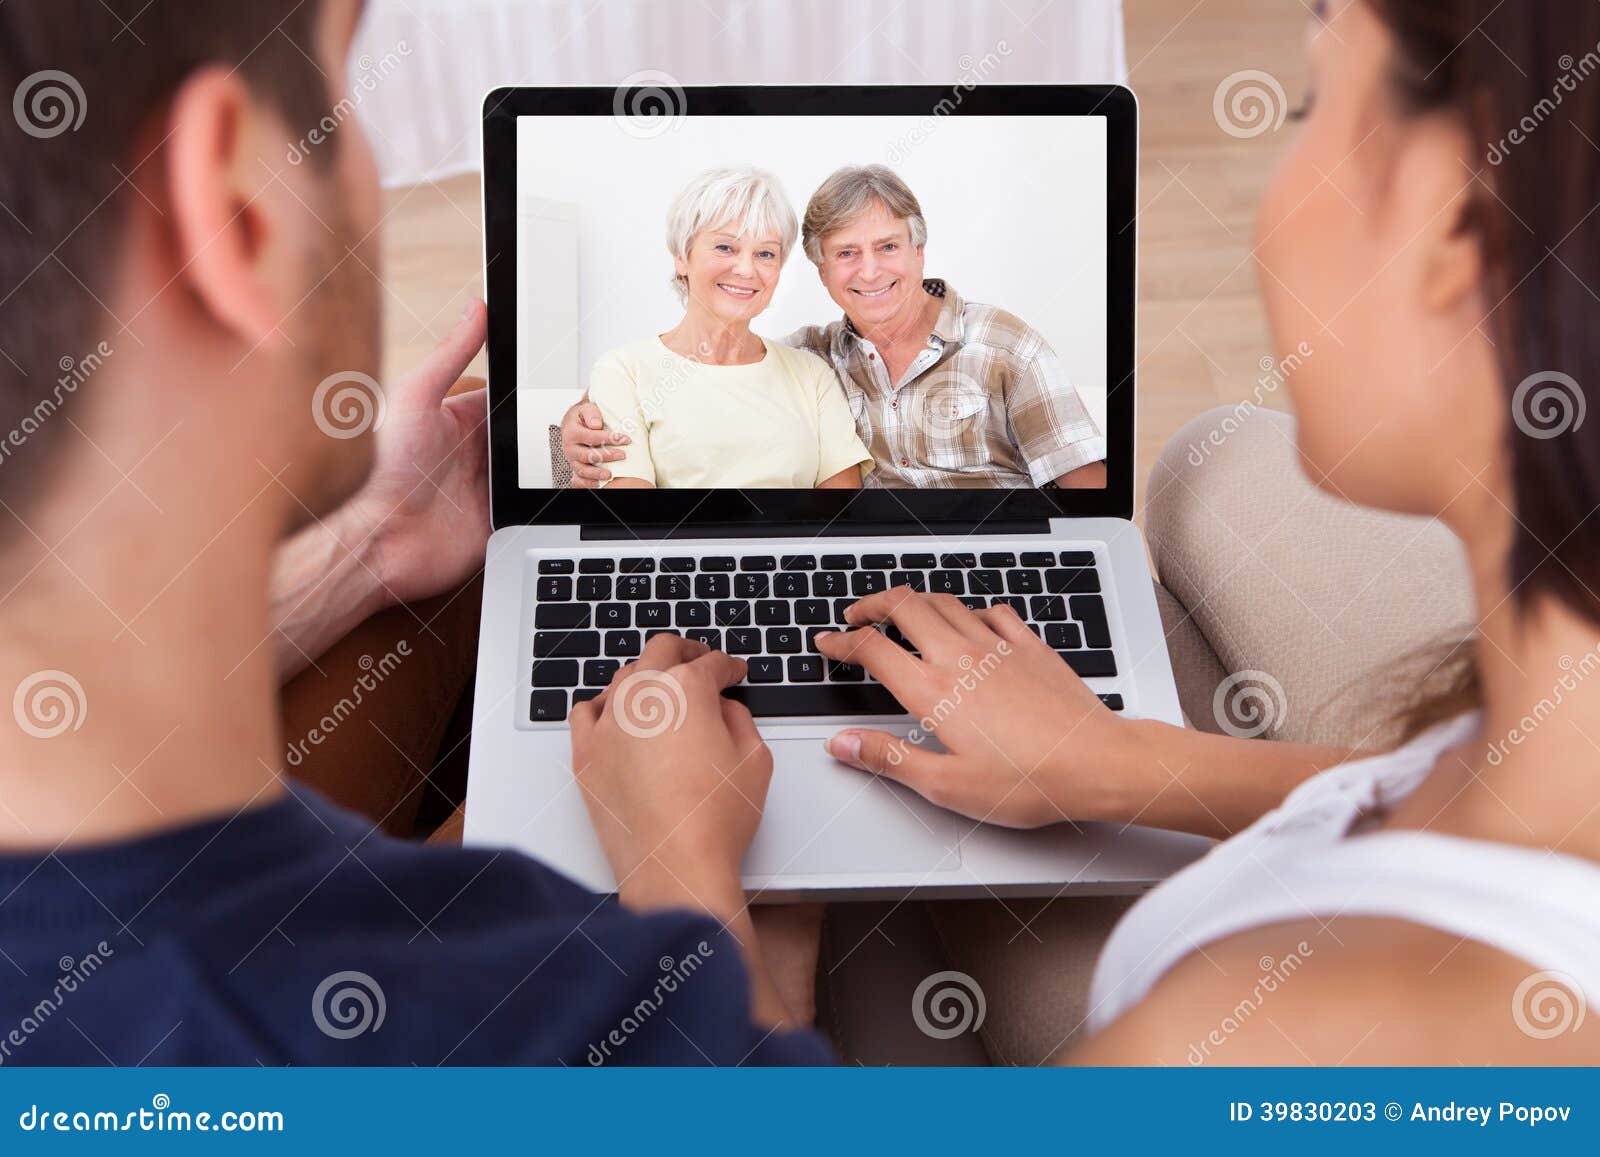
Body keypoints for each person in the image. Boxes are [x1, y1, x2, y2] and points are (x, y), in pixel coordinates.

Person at [0, 0, 828, 1066]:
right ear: (234, 207)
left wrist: (362, 549)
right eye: (338, 99)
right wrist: (690, 869)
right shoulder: (541, 1027)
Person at [809, 0, 1600, 1062]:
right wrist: (1127, 760)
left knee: (849, 916)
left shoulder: (1268, 1043)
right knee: (1211, 455)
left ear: (1452, 216)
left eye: (1313, 104)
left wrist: (709, 915)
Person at [563, 165, 1108, 490]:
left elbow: (1090, 502)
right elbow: (714, 382)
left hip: (998, 558)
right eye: (847, 253)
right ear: (821, 271)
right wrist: (569, 426)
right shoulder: (816, 356)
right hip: (875, 578)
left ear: (919, 251)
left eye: (888, 247)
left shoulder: (1004, 346)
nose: (869, 272)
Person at [586, 166, 871, 489]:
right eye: (725, 247)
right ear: (682, 256)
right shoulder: (624, 371)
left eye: (766, 253)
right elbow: (632, 520)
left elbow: (838, 516)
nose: (747, 269)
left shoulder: (812, 374)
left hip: (793, 541)